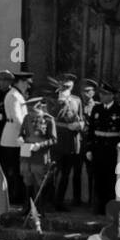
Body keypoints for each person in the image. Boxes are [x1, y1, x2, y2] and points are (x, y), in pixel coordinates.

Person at [86, 82, 120, 215]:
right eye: (101, 94)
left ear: (111, 96)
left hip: (112, 151)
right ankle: (98, 208)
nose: (101, 96)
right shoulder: (96, 109)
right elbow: (91, 130)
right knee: (98, 179)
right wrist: (89, 148)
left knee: (110, 180)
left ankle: (109, 208)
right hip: (98, 149)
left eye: (104, 94)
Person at [0, 68, 34, 207]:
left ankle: (18, 195)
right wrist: (27, 132)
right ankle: (14, 196)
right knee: (14, 168)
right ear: (20, 82)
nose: (28, 86)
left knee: (19, 168)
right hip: (14, 137)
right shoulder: (14, 95)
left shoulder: (17, 95)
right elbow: (17, 118)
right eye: (26, 83)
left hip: (17, 135)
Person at [51, 76, 85, 211]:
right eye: (64, 86)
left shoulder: (77, 100)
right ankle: (50, 200)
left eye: (68, 87)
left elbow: (82, 119)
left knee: (66, 173)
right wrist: (62, 100)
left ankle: (59, 202)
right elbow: (53, 117)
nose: (66, 89)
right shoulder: (54, 100)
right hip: (57, 140)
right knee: (54, 172)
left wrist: (79, 125)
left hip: (71, 141)